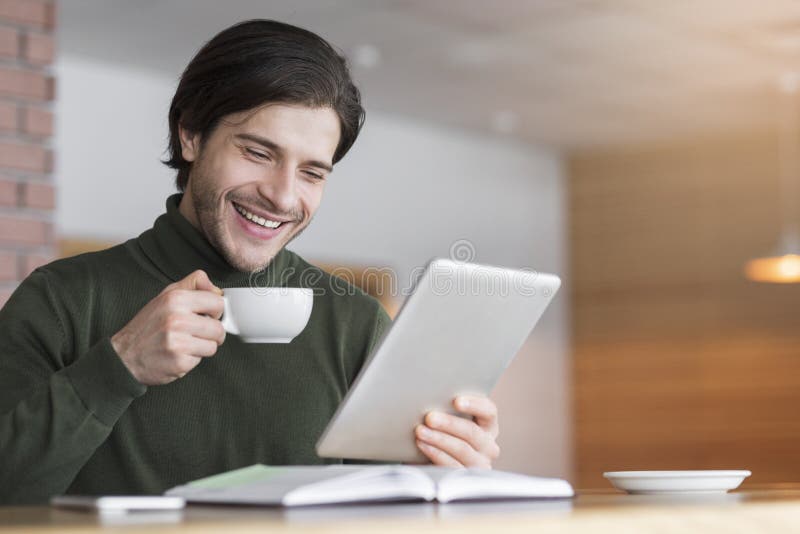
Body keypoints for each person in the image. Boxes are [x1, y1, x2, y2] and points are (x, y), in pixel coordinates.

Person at [0, 20, 500, 505]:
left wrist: (443, 480)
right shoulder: (61, 300)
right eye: (258, 152)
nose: (283, 197)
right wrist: (118, 367)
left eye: (311, 172)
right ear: (191, 135)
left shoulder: (355, 324)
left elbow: (375, 514)